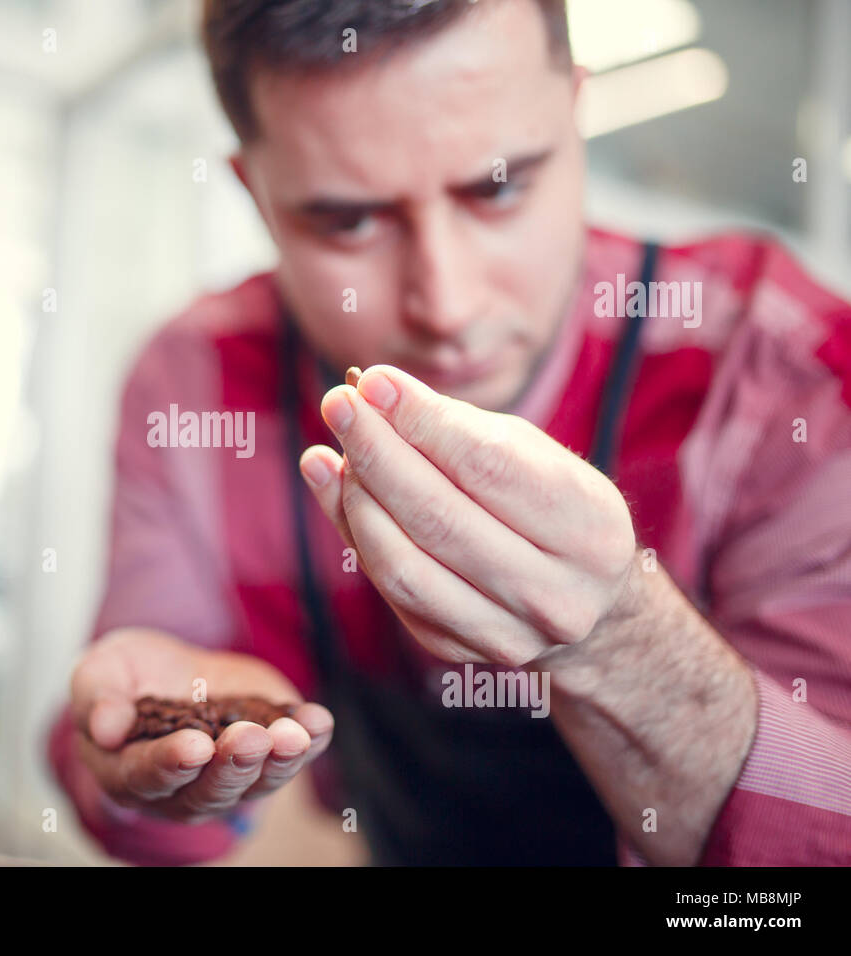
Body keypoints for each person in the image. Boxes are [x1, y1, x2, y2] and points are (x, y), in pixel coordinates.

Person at [46, 0, 851, 865]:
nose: (447, 305)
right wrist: (160, 767)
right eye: (348, 220)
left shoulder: (785, 370)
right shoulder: (197, 386)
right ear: (257, 196)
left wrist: (621, 644)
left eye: (499, 188)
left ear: (575, 114)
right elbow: (122, 766)